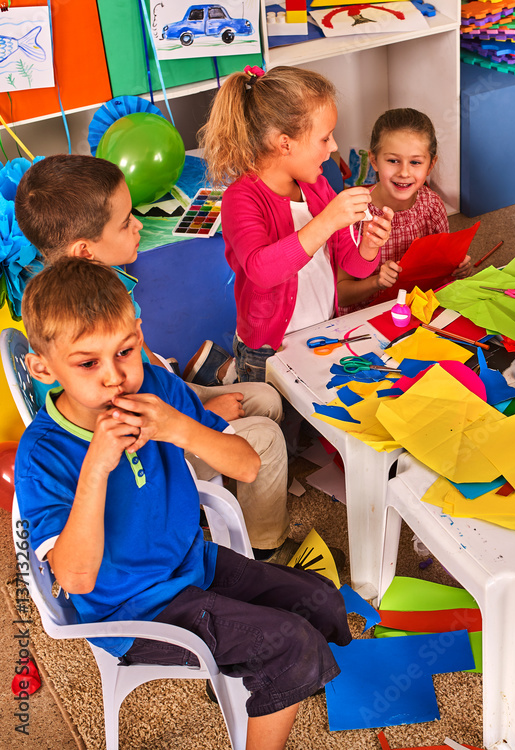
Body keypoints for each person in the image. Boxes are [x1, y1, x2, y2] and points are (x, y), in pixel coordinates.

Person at [15, 258, 351, 749]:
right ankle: (269, 676)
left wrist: (178, 427)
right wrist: (96, 467)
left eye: (125, 351)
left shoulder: (156, 386)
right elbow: (76, 578)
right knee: (292, 645)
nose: (115, 378)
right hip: (130, 609)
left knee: (323, 602)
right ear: (43, 367)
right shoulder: (42, 455)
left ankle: (256, 673)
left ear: (138, 333)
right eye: (88, 363)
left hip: (193, 564)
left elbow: (247, 467)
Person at [15, 154, 291, 561]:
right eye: (126, 221)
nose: (139, 225)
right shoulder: (84, 342)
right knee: (267, 440)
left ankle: (229, 481)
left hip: (158, 390)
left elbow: (145, 368)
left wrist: (190, 401)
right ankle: (265, 549)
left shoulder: (83, 296)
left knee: (267, 399)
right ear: (85, 251)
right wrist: (199, 414)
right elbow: (132, 400)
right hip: (143, 438)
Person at [198, 65, 393, 382]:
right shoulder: (241, 198)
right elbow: (262, 270)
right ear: (284, 143)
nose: (333, 148)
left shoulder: (318, 186)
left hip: (322, 331)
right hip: (266, 350)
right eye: (325, 138)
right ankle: (225, 372)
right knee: (278, 419)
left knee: (316, 408)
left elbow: (354, 267)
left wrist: (370, 245)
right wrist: (327, 221)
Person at [337, 108, 470, 314]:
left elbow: (441, 269)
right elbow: (342, 295)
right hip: (366, 317)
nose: (404, 172)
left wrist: (458, 268)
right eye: (393, 161)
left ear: (430, 164)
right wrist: (376, 282)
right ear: (374, 161)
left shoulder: (433, 205)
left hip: (419, 310)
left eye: (415, 162)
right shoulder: (353, 214)